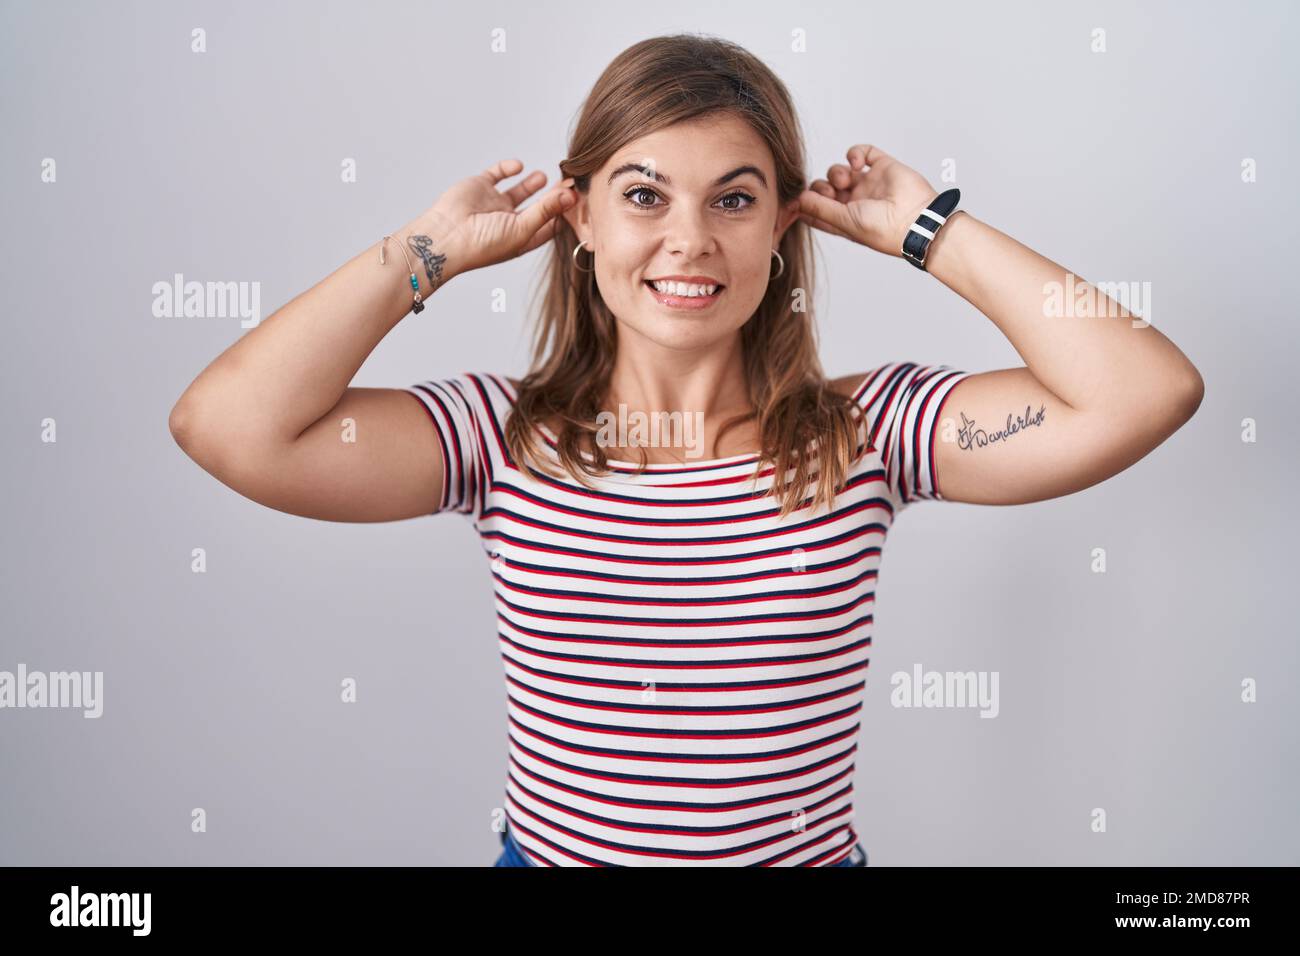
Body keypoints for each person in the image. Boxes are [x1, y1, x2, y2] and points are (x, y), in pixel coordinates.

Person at [168, 34, 1204, 867]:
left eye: (736, 198)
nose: (690, 238)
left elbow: (1142, 392)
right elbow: (228, 425)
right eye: (644, 193)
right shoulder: (500, 437)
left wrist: (923, 226)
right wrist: (430, 251)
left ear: (783, 226)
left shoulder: (866, 433)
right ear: (577, 213)